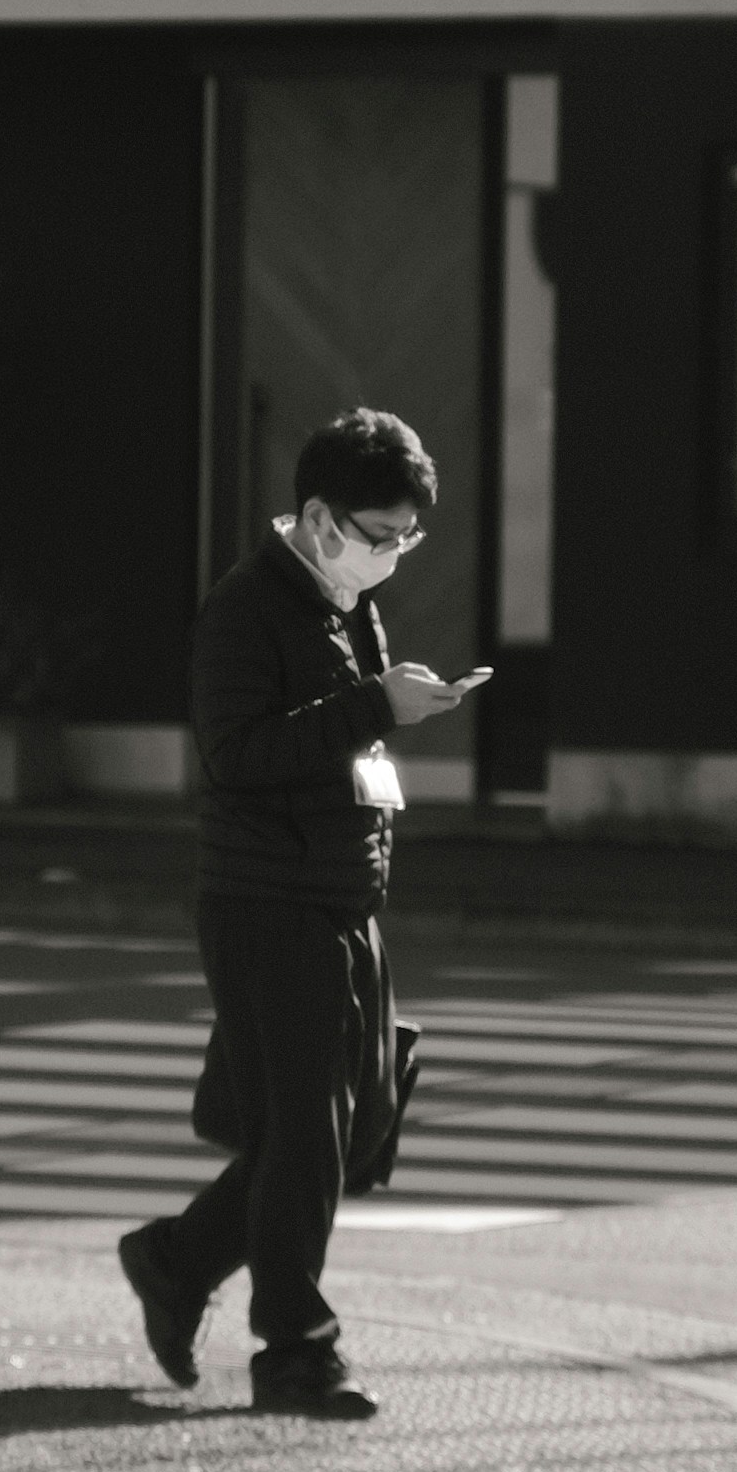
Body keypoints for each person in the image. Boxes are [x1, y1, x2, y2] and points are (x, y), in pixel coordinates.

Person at [120, 405, 485, 1419]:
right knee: (307, 1136)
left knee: (346, 1127)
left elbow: (334, 745)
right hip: (265, 900)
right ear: (319, 516)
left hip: (335, 895)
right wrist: (377, 707)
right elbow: (235, 755)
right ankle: (294, 1353)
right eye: (378, 534)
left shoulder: (337, 601)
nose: (391, 556)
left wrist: (385, 703)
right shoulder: (246, 608)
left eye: (405, 539)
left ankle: (177, 1261)